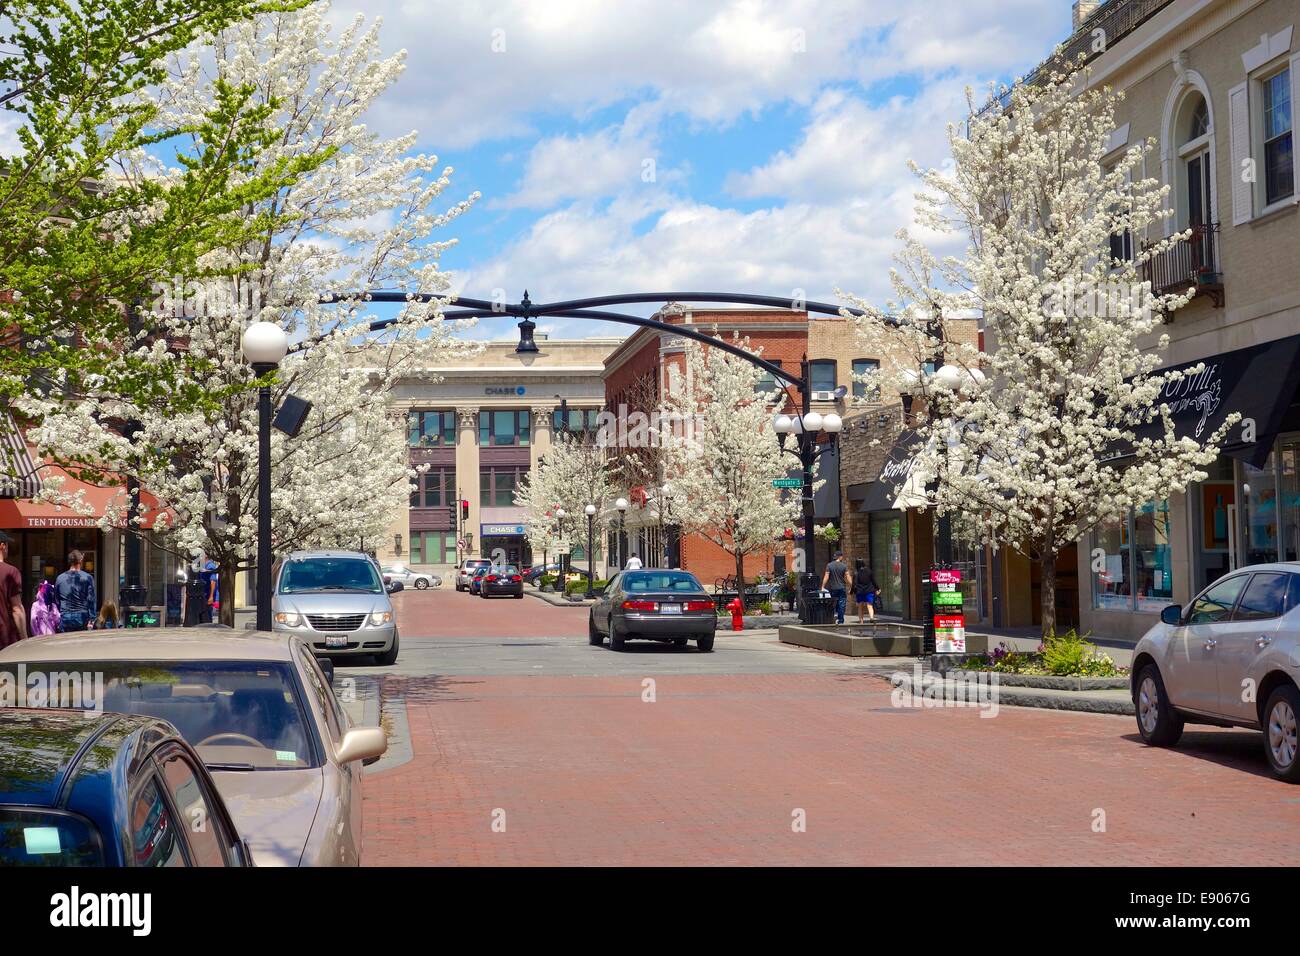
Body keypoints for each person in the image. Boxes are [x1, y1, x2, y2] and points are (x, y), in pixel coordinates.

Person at [54, 550, 97, 633]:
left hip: (65, 616)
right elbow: (91, 600)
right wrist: (92, 619)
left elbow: (56, 600)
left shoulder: (59, 578)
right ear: (80, 561)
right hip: (81, 617)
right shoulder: (88, 578)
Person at [0, 530, 27, 648]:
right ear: (2, 546)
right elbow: (17, 609)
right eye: (7, 545)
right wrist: (25, 639)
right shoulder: (11, 571)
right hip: (3, 636)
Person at [821, 551, 853, 625]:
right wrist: (852, 586)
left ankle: (833, 617)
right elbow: (848, 577)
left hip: (833, 588)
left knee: (833, 603)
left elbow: (826, 576)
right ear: (840, 557)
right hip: (842, 587)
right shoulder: (843, 566)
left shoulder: (829, 565)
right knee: (842, 604)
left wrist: (822, 586)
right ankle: (840, 620)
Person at [854, 559, 880, 623]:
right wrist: (878, 588)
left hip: (860, 591)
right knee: (869, 605)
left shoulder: (856, 573)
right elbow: (873, 581)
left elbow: (854, 584)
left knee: (860, 606)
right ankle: (871, 617)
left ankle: (861, 621)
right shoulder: (869, 571)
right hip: (869, 590)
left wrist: (852, 591)